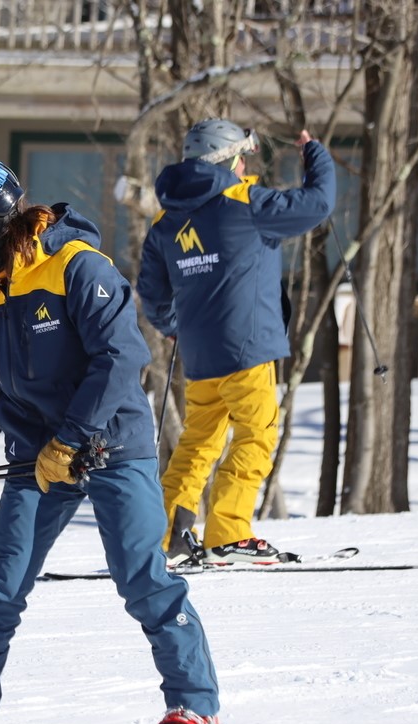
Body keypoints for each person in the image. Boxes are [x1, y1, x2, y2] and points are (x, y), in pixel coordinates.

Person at [0, 160, 221, 724]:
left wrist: (71, 438)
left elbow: (122, 358)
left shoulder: (76, 265)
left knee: (142, 577)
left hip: (110, 444)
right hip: (35, 456)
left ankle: (195, 707)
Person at [137, 119, 336, 565]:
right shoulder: (246, 202)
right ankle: (228, 533)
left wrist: (172, 326)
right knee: (256, 434)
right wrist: (315, 154)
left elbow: (152, 291)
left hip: (200, 356)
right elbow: (319, 202)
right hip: (248, 349)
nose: (245, 166)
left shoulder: (165, 219)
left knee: (198, 441)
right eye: (242, 157)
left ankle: (167, 536)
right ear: (228, 160)